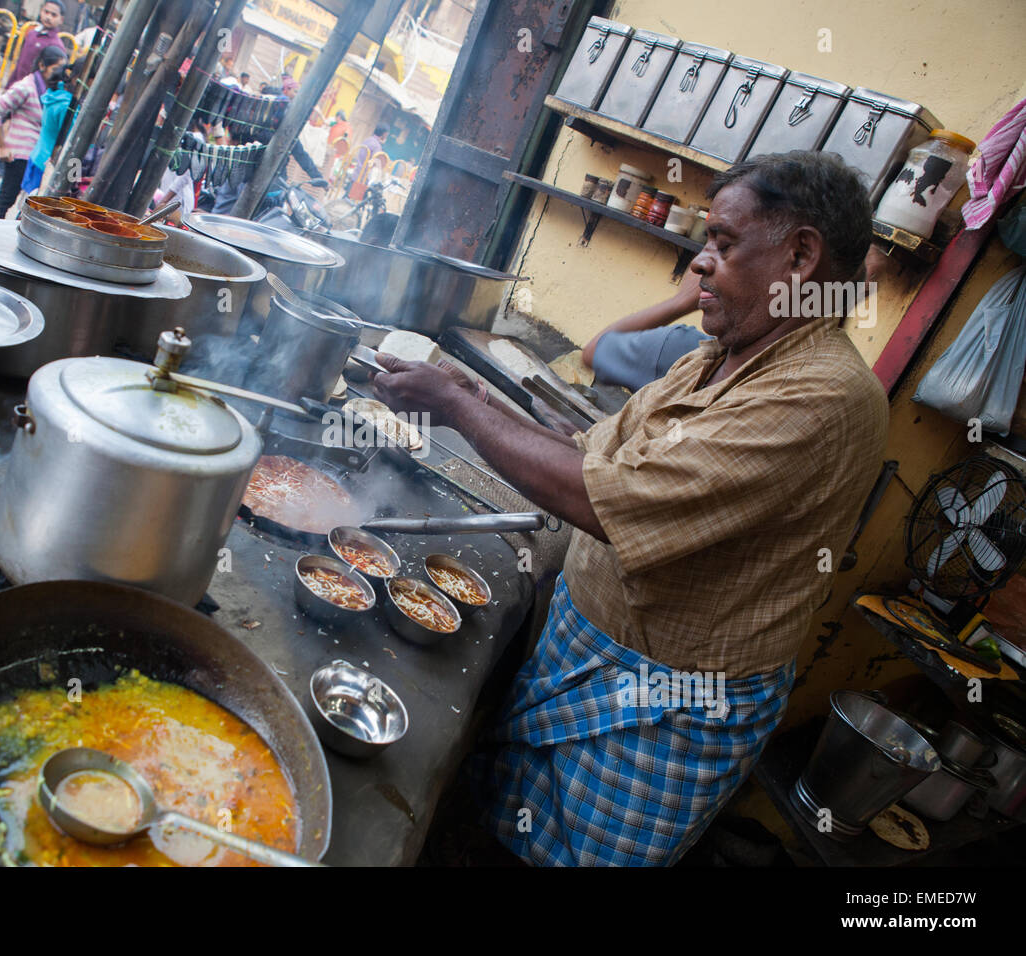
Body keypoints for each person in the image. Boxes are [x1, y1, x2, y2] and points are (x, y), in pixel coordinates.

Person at [370, 151, 889, 866]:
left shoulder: (824, 396)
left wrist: (455, 406)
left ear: (800, 256)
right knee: (499, 829)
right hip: (583, 651)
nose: (700, 264)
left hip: (661, 709)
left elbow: (603, 498)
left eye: (724, 243)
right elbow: (592, 450)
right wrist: (491, 408)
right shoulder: (719, 353)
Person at [0, 0, 64, 180]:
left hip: (34, 96)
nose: (48, 16)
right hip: (18, 89)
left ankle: (9, 166)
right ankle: (1, 161)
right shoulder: (32, 34)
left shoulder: (56, 46)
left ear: (61, 20)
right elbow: (20, 65)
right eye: (46, 12)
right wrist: (9, 86)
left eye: (53, 14)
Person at [581, 271, 707, 392]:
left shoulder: (684, 348)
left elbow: (595, 350)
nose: (698, 263)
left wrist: (682, 301)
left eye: (722, 250)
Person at [0, 44, 67, 218]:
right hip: (18, 155)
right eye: (55, 68)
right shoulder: (26, 87)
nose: (58, 72)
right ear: (42, 66)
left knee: (27, 204)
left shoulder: (49, 89)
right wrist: (1, 146)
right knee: (7, 198)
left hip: (33, 157)